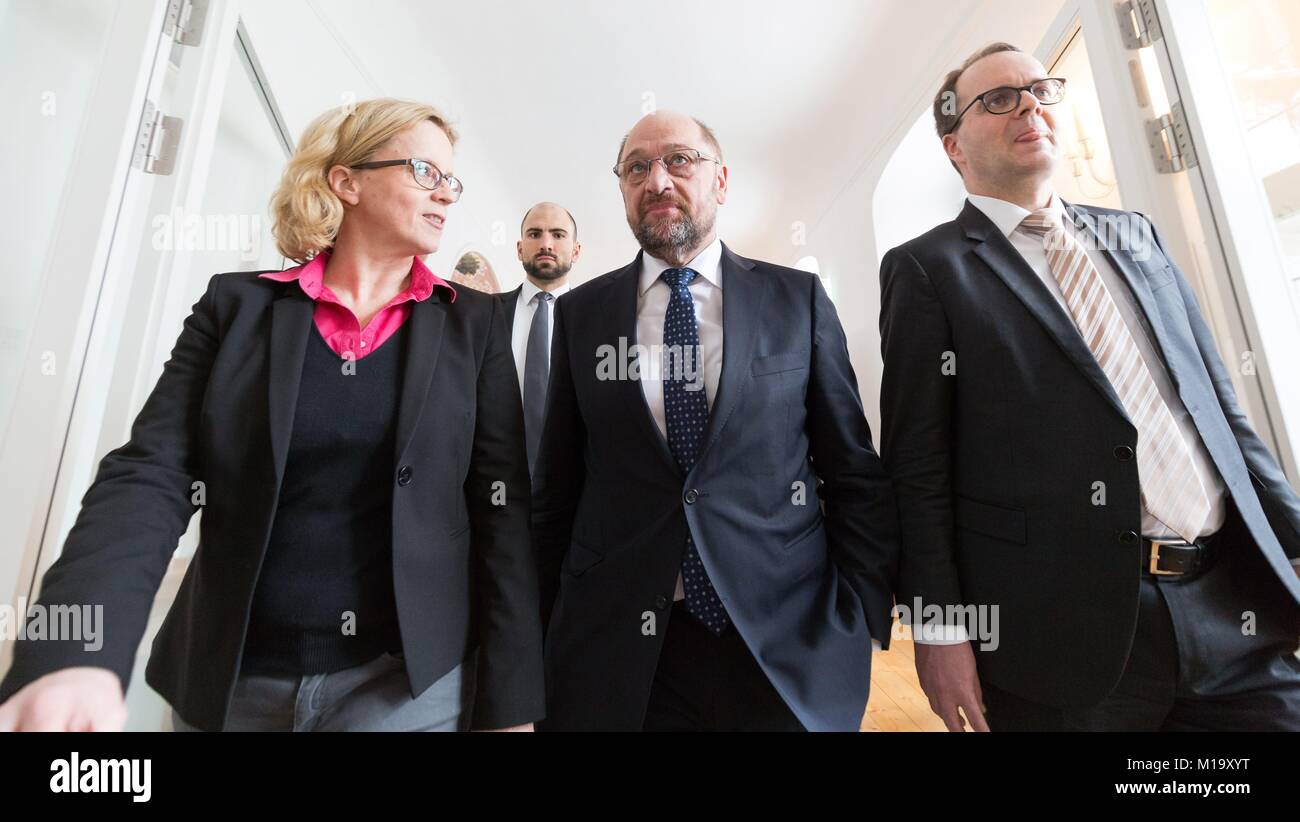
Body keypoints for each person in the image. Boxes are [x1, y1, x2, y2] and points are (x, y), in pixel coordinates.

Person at [0, 98, 544, 732]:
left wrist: (510, 708)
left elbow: (501, 514)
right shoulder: (236, 309)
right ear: (348, 180)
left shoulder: (472, 327)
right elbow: (151, 473)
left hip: (403, 687)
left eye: (452, 180)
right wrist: (76, 650)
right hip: (236, 679)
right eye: (426, 171)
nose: (446, 194)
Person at [878, 43, 1300, 731]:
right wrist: (938, 627)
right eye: (1000, 98)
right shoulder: (930, 270)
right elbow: (918, 470)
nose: (1030, 106)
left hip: (1230, 604)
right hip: (1065, 635)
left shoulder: (1137, 237)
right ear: (955, 146)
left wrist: (1292, 538)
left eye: (1040, 90)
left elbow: (1221, 411)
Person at [532, 111, 899, 731]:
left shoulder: (796, 299)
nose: (658, 180)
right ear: (622, 188)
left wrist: (862, 613)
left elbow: (852, 470)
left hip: (784, 641)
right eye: (637, 167)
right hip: (626, 652)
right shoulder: (580, 316)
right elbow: (558, 492)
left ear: (721, 180)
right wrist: (536, 642)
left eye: (679, 160)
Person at [499, 202, 580, 476]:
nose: (546, 244)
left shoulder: (598, 318)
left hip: (576, 487)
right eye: (534, 234)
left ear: (576, 251)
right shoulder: (486, 315)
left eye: (558, 235)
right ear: (520, 249)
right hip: (498, 484)